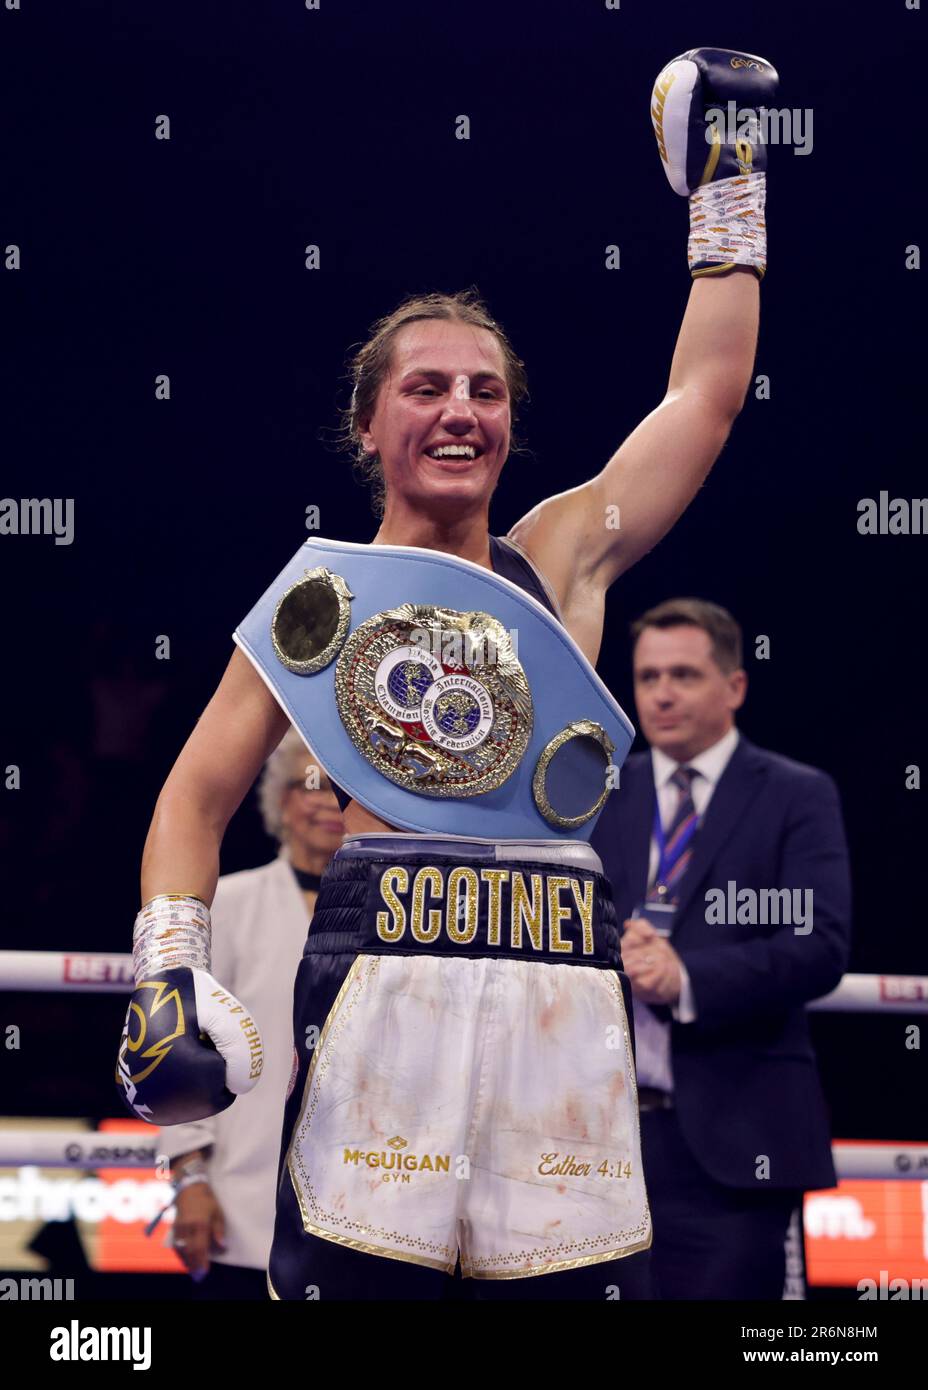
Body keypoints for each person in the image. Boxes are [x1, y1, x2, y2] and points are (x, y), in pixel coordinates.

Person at [116, 47, 778, 1300]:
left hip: (554, 987)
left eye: (485, 389)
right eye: (426, 388)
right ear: (369, 423)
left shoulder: (563, 559)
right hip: (384, 980)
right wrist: (169, 970)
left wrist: (728, 189)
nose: (460, 408)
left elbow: (710, 389)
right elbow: (194, 797)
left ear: (510, 425)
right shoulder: (316, 609)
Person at [591, 599, 851, 1299]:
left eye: (683, 674)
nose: (662, 693)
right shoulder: (601, 794)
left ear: (734, 686)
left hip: (737, 1143)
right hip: (597, 1146)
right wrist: (608, 948)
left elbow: (821, 943)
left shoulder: (796, 794)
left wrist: (686, 976)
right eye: (647, 678)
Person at [158, 730, 344, 1298]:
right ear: (280, 803)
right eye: (307, 784)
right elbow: (181, 1048)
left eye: (338, 787)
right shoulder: (231, 901)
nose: (323, 799)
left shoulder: (394, 907)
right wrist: (188, 1179)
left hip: (359, 1202)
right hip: (241, 1196)